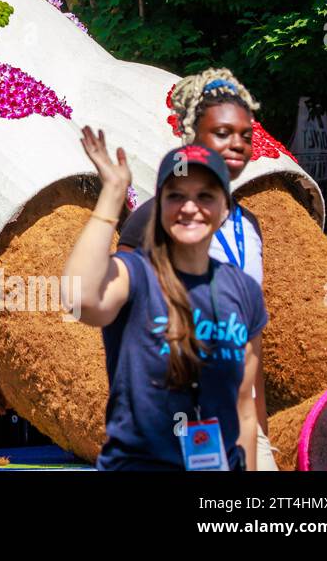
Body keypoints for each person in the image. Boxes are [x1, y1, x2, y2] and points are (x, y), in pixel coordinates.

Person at [65, 132, 266, 470]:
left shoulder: (244, 291)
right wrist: (113, 194)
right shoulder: (136, 275)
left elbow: (245, 406)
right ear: (159, 207)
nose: (190, 207)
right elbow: (79, 299)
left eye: (204, 195)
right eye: (176, 196)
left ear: (224, 208)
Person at [116, 68, 279, 469]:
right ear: (192, 137)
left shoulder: (250, 227)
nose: (236, 144)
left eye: (244, 134)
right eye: (221, 133)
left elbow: (249, 343)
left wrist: (259, 431)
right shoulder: (153, 219)